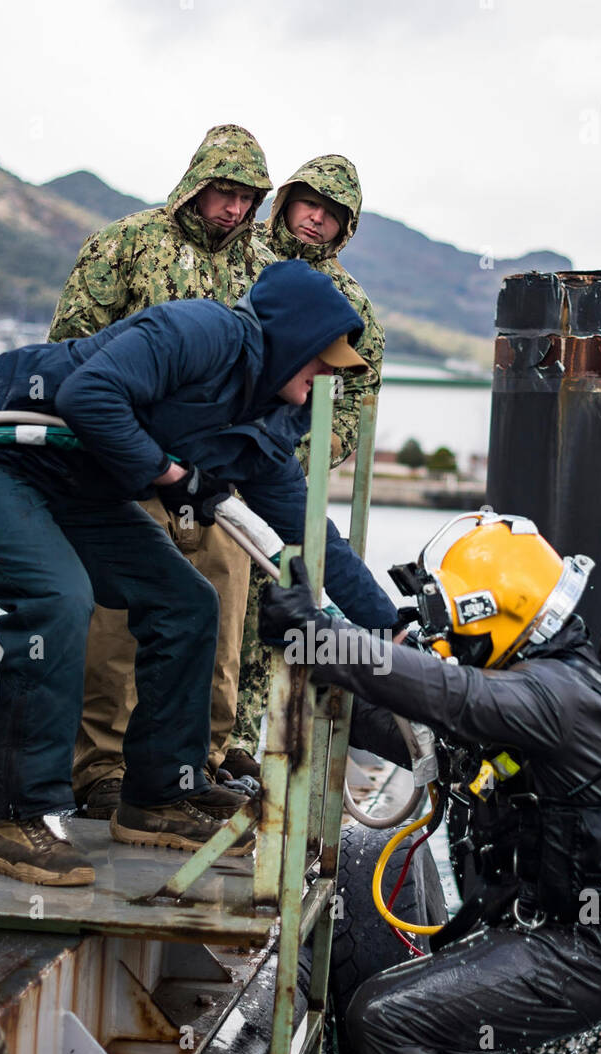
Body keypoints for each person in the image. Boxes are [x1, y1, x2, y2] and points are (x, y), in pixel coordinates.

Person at [259, 511, 601, 1054]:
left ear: (491, 614)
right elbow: (411, 710)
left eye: (446, 621)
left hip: (577, 952)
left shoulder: (556, 695)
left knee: (384, 1016)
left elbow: (446, 690)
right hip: (522, 934)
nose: (436, 640)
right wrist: (314, 647)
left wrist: (323, 639)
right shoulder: (522, 685)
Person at [0, 259, 400, 887]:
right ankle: (14, 818)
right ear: (293, 341)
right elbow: (86, 395)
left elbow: (316, 542)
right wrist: (172, 476)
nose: (330, 373)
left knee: (187, 603)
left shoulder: (262, 434)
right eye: (323, 358)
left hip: (76, 485)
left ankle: (158, 797)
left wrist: (389, 628)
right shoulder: (201, 330)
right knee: (58, 602)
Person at [49, 123, 275, 817]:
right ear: (197, 183)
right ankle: (104, 771)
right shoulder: (122, 244)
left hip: (215, 480)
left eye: (247, 198)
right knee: (117, 627)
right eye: (224, 193)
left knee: (219, 623)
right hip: (129, 468)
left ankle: (191, 767)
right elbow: (70, 348)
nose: (234, 209)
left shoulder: (264, 270)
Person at [226, 154, 385, 783]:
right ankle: (185, 750)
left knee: (274, 607)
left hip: (278, 476)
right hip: (205, 463)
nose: (316, 219)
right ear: (287, 201)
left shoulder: (356, 310)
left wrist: (295, 458)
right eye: (308, 204)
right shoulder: (239, 259)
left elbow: (351, 407)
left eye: (332, 213)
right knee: (204, 600)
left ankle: (243, 744)